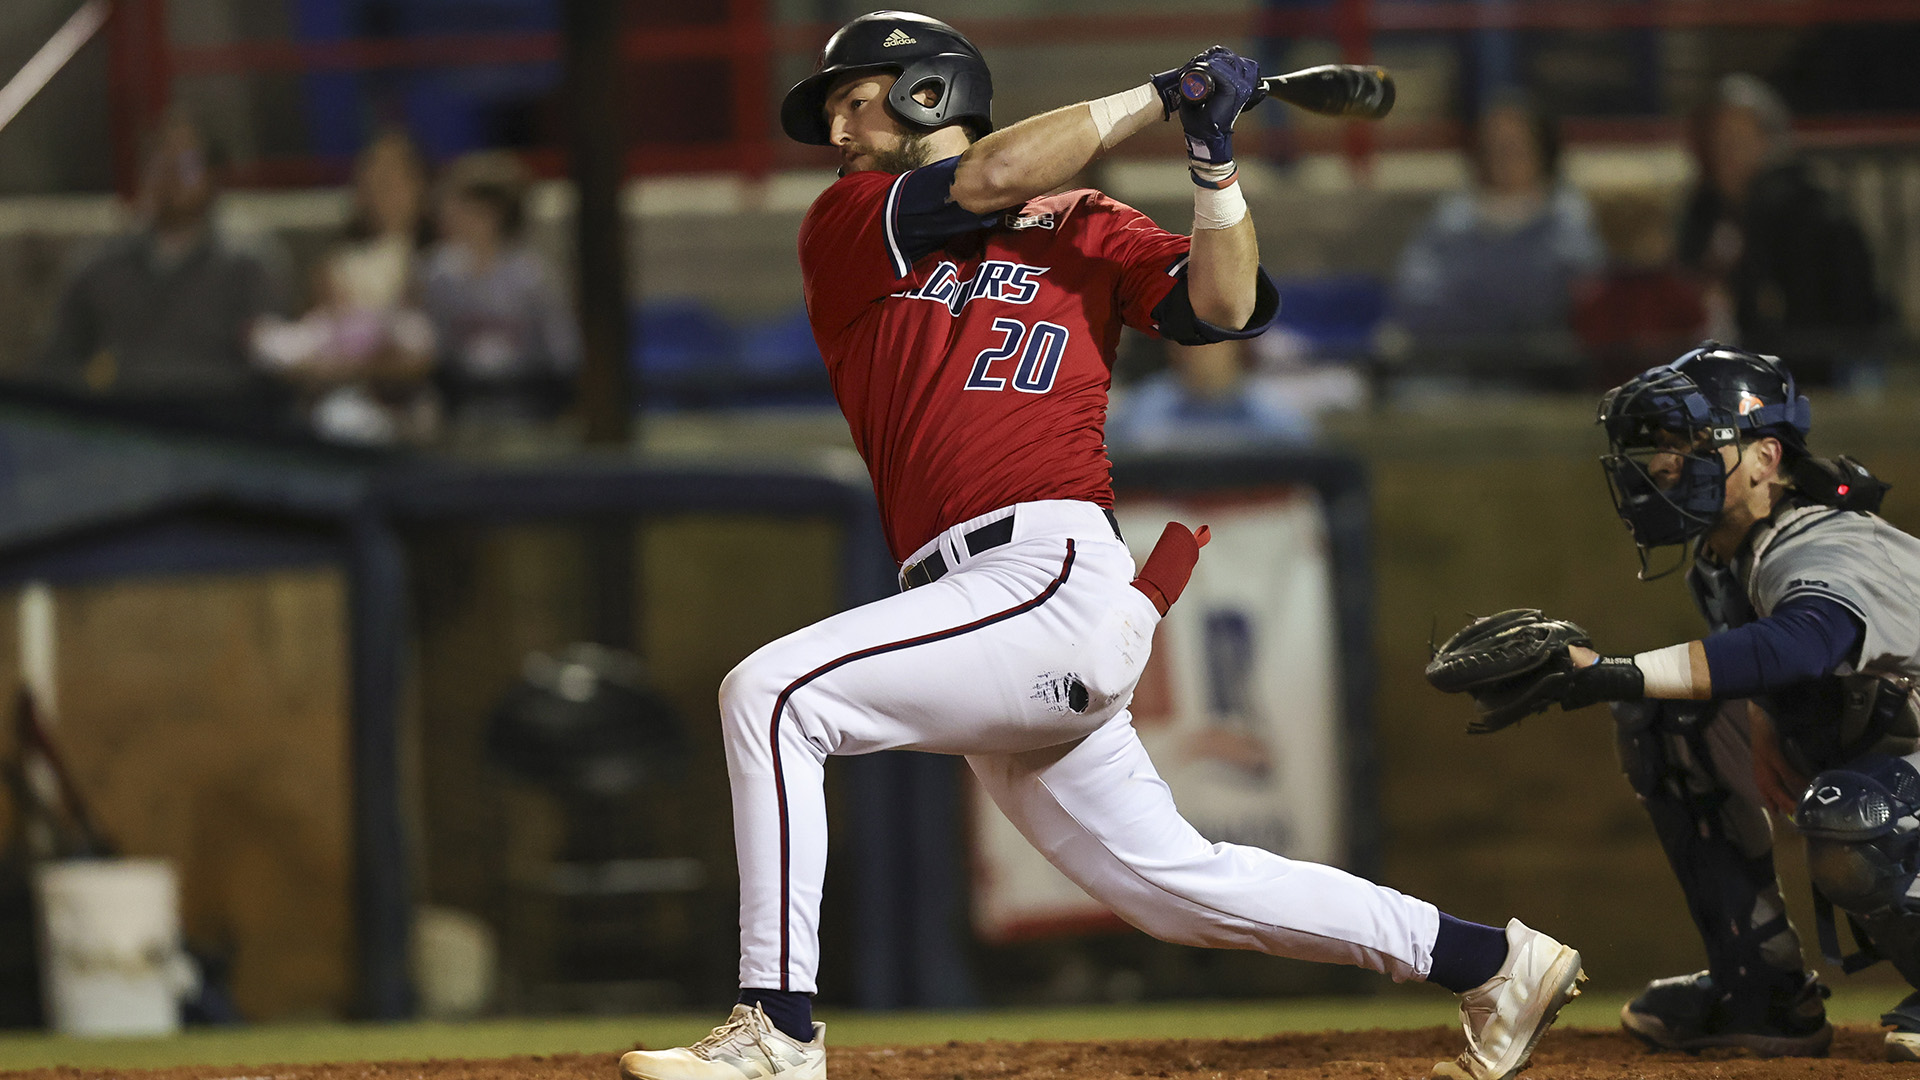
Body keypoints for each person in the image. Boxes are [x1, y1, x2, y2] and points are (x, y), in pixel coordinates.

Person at [617, 15, 1583, 1080]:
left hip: (1044, 572)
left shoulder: (1085, 219)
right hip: (975, 597)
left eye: (858, 95)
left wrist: (1213, 165)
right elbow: (986, 179)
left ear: (929, 91)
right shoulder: (850, 221)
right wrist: (1161, 94)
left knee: (776, 695)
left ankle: (779, 1029)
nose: (836, 123)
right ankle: (1491, 960)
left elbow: (1225, 306)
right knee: (1173, 887)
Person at [1432, 343, 1920, 1061]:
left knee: (1858, 813)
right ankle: (1764, 992)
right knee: (1671, 718)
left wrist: (1606, 669)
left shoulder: (1823, 540)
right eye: (1659, 445)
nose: (1663, 463)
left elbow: (1807, 643)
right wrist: (1758, 713)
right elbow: (1772, 661)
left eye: (1690, 443)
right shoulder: (1727, 561)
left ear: (1765, 458)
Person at [39, 114, 285, 421]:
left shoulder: (247, 262)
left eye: (186, 164)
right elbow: (57, 362)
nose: (171, 176)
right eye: (159, 163)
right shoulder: (101, 264)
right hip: (126, 418)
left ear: (213, 175)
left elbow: (277, 358)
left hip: (221, 420)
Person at [1677, 75, 1884, 386]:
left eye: (1737, 141)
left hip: (1802, 375)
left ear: (1769, 142)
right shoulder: (1704, 213)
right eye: (1717, 143)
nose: (1726, 155)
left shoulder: (1807, 213)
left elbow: (1829, 313)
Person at [1383, 92, 1602, 385]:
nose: (1502, 160)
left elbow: (1569, 302)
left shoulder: (1568, 222)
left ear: (1542, 152)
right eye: (1492, 149)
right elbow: (1417, 299)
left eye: (1515, 149)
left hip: (1541, 375)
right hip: (1452, 370)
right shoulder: (1450, 221)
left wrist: (1485, 300)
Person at [252, 129, 439, 445]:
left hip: (424, 401)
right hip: (343, 404)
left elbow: (430, 356)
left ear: (420, 186)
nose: (383, 194)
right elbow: (310, 350)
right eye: (373, 183)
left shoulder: (441, 263)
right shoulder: (334, 263)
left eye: (394, 181)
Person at [418, 151, 580, 436]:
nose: (449, 214)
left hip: (529, 408)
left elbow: (565, 357)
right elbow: (434, 351)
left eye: (463, 206)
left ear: (493, 212)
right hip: (463, 408)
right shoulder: (438, 274)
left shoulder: (534, 277)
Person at [1106, 338, 1314, 450]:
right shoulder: (1142, 409)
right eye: (1187, 343)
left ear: (1236, 347)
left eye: (1211, 344)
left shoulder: (1275, 415)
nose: (1198, 353)